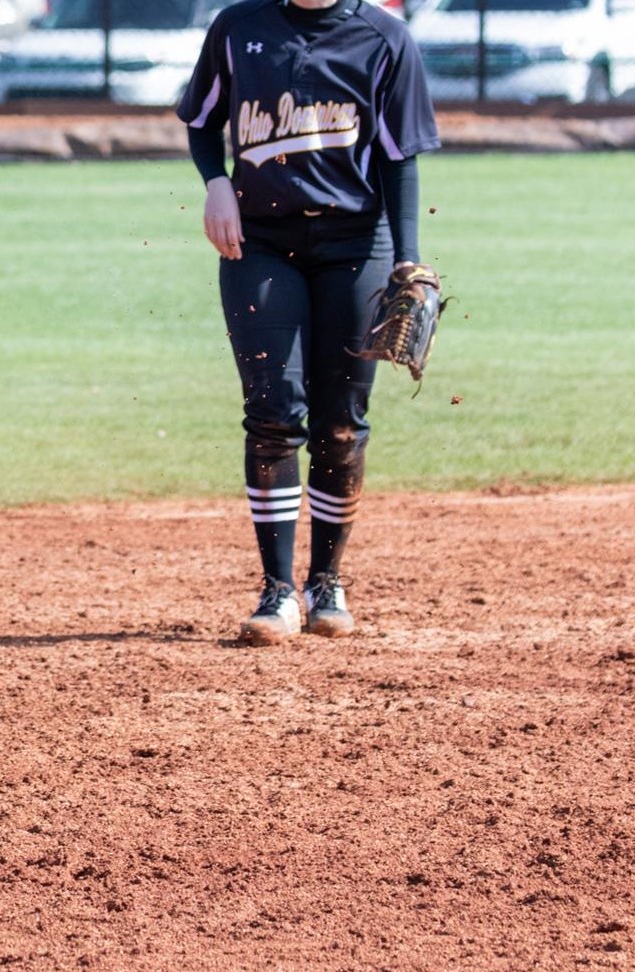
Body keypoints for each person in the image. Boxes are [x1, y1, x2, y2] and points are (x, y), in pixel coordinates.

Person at [174, 0, 439, 645]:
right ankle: (278, 591)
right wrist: (215, 181)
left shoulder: (385, 39)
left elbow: (399, 159)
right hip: (258, 242)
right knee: (272, 410)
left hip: (356, 246)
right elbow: (203, 121)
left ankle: (327, 582)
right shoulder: (239, 28)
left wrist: (406, 259)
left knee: (342, 422)